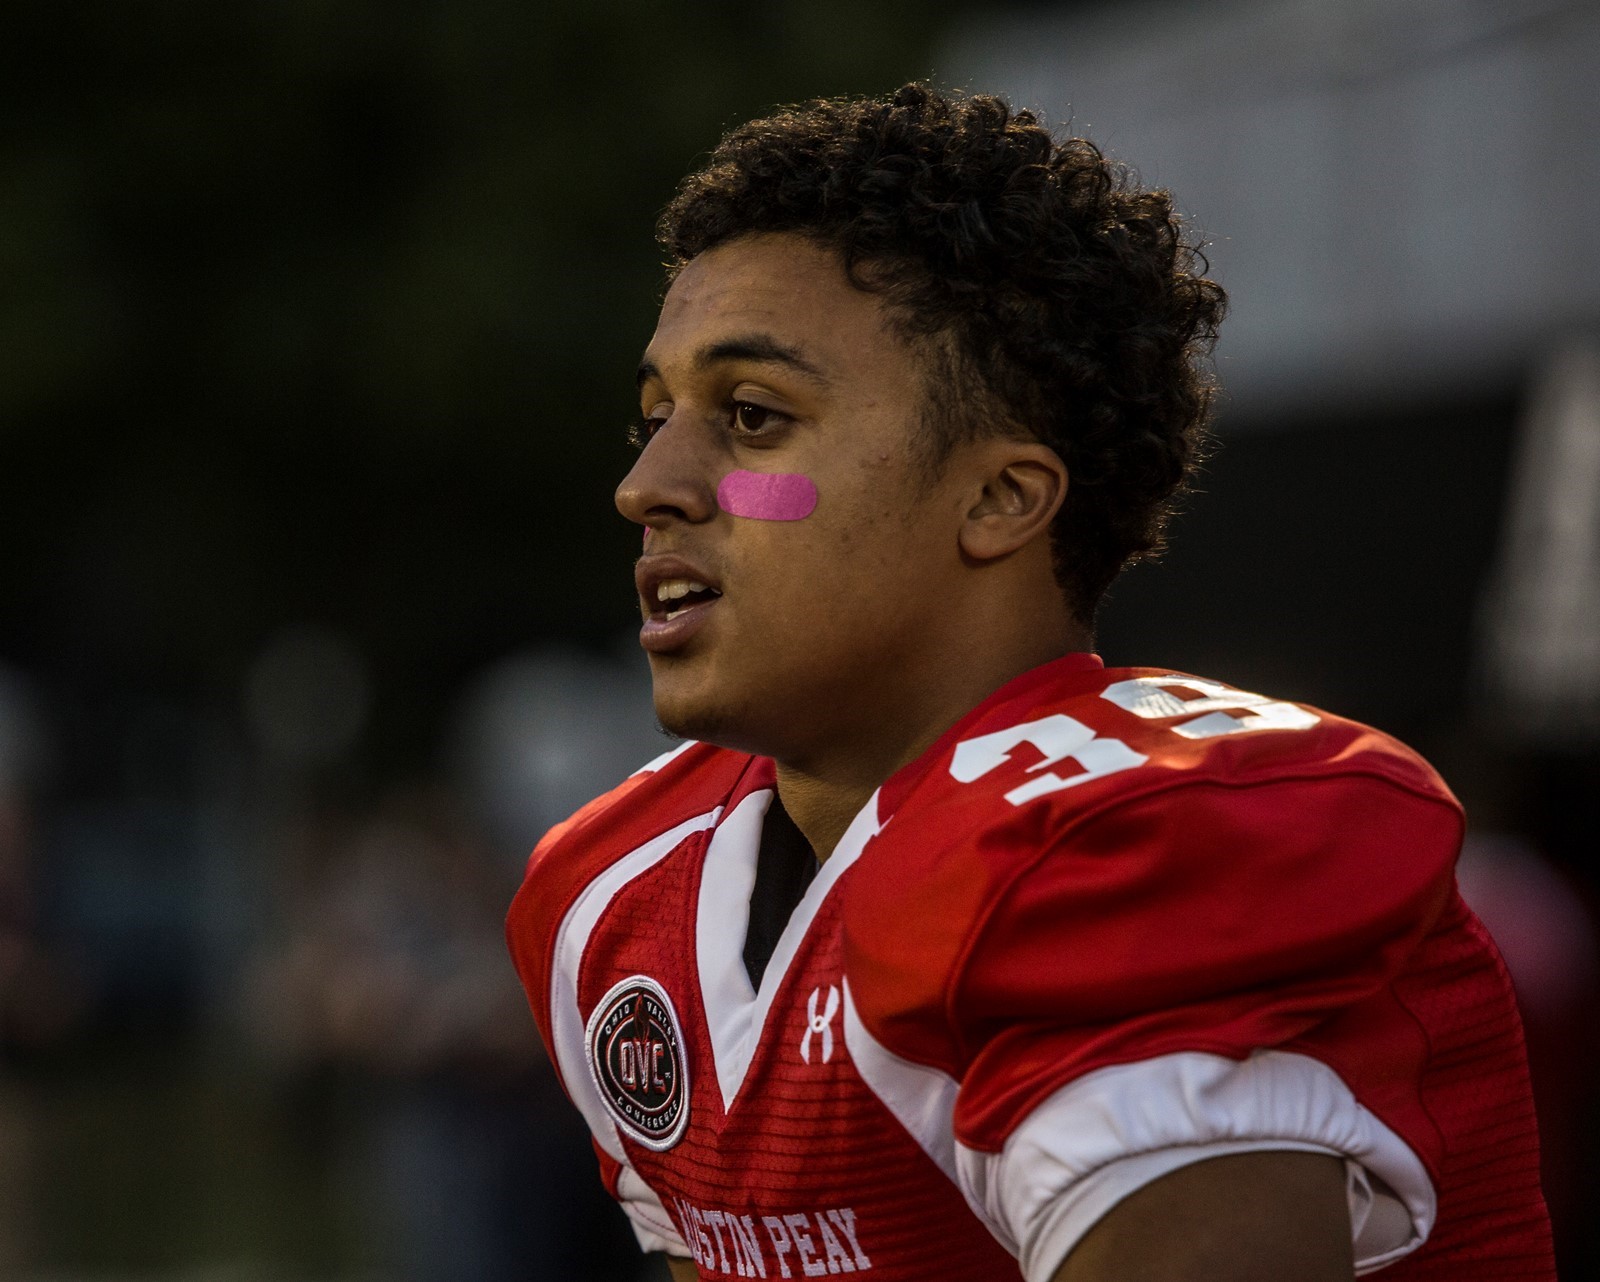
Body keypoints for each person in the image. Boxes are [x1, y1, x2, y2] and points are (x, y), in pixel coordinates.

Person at [505, 84, 1554, 1281]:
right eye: (653, 417)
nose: (650, 484)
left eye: (751, 415)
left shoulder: (1123, 843)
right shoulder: (618, 889)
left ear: (1001, 498)